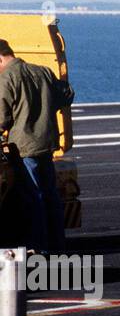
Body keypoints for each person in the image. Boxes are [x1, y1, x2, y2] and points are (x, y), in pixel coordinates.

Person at [0, 39, 68, 253]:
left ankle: (38, 247)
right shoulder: (43, 71)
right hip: (47, 143)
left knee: (32, 196)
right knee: (50, 196)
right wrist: (45, 108)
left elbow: (1, 117)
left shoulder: (7, 78)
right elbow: (67, 94)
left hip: (24, 148)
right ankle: (57, 244)